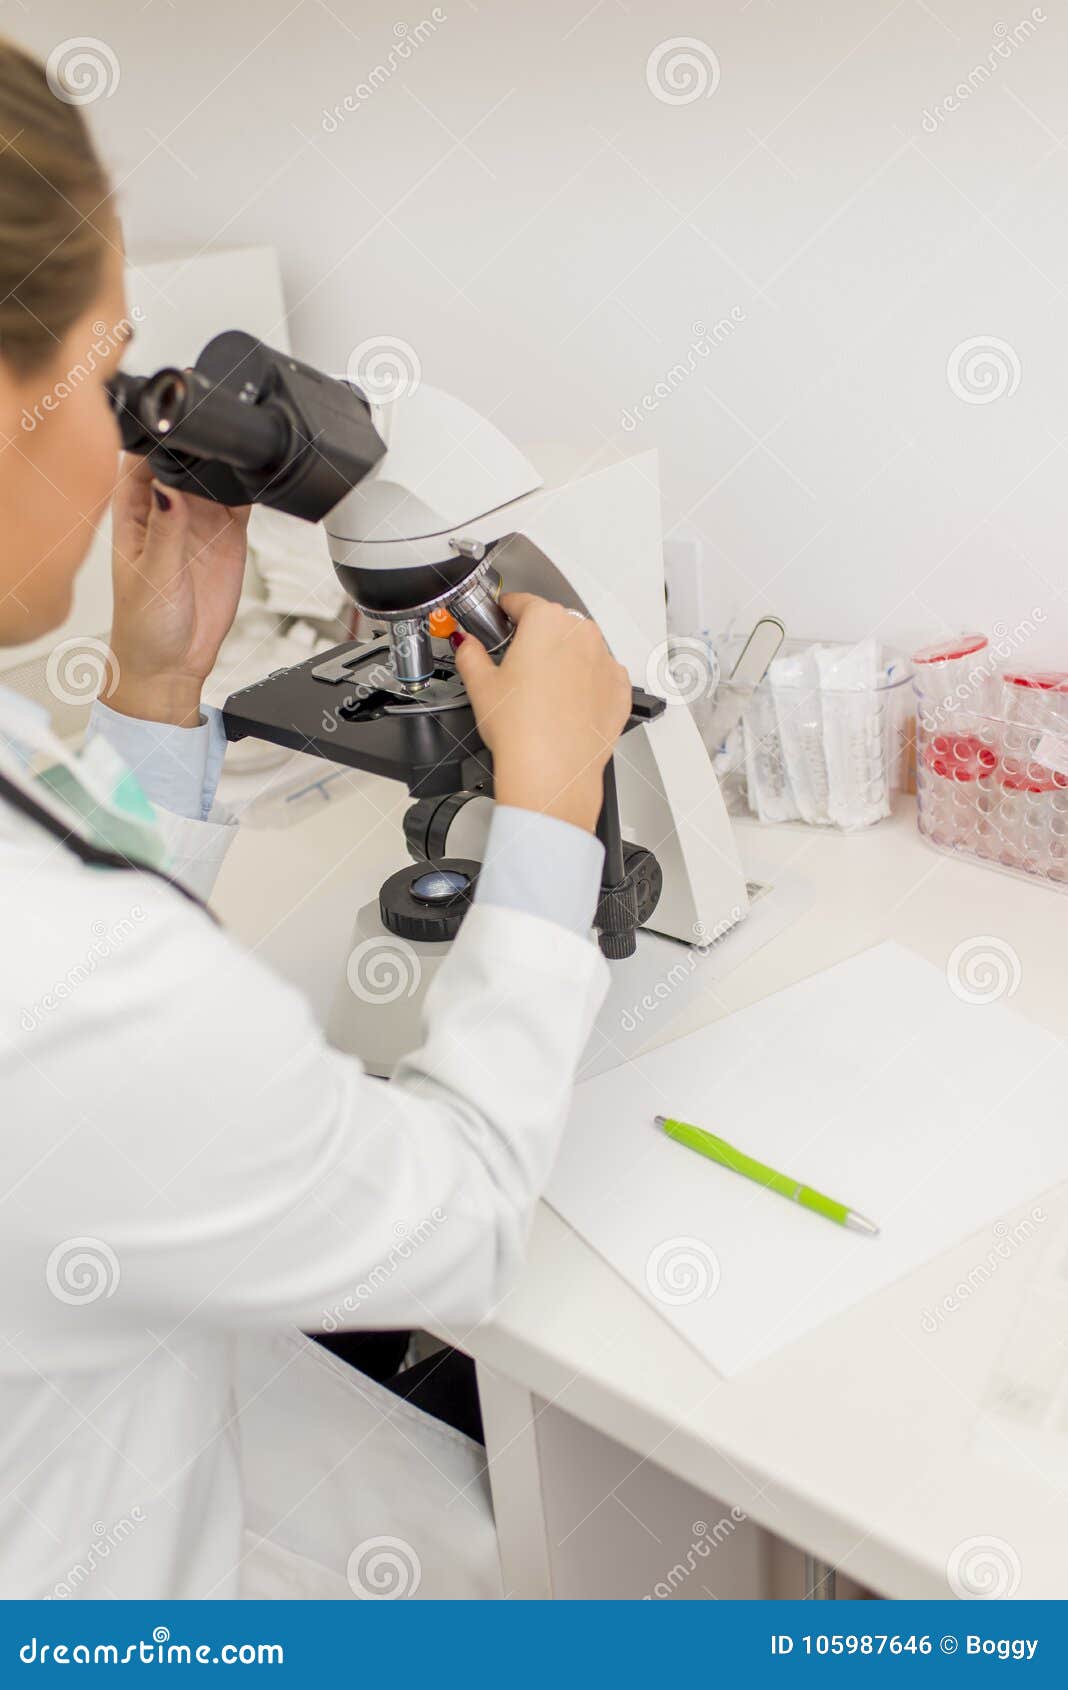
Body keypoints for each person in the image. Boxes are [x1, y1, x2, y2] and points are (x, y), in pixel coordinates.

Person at [0, 39, 631, 1600]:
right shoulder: (58, 992)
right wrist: (550, 808)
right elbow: (465, 1214)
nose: (133, 439)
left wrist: (156, 688)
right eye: (117, 370)